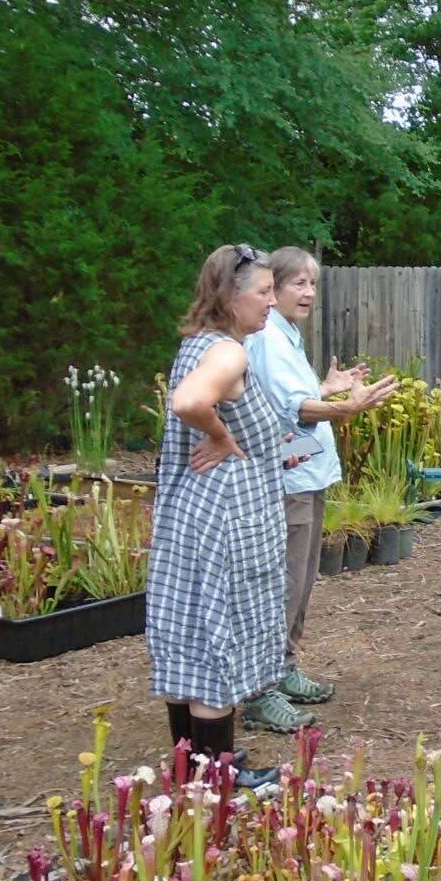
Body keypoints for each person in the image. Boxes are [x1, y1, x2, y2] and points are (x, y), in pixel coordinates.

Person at [148, 243, 286, 789]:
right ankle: (216, 784)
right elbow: (189, 403)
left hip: (189, 515)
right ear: (230, 296)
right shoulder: (229, 354)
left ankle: (190, 774)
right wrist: (223, 438)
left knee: (188, 643)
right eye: (264, 292)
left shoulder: (198, 344)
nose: (272, 302)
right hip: (226, 524)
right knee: (217, 648)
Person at [247, 247, 399, 713]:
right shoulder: (268, 338)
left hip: (306, 475)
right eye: (299, 283)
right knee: (285, 582)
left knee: (302, 579)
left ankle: (285, 666)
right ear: (273, 288)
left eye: (313, 284)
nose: (309, 292)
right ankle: (261, 689)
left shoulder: (285, 335)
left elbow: (293, 396)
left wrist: (326, 388)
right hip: (287, 480)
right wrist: (345, 406)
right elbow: (292, 408)